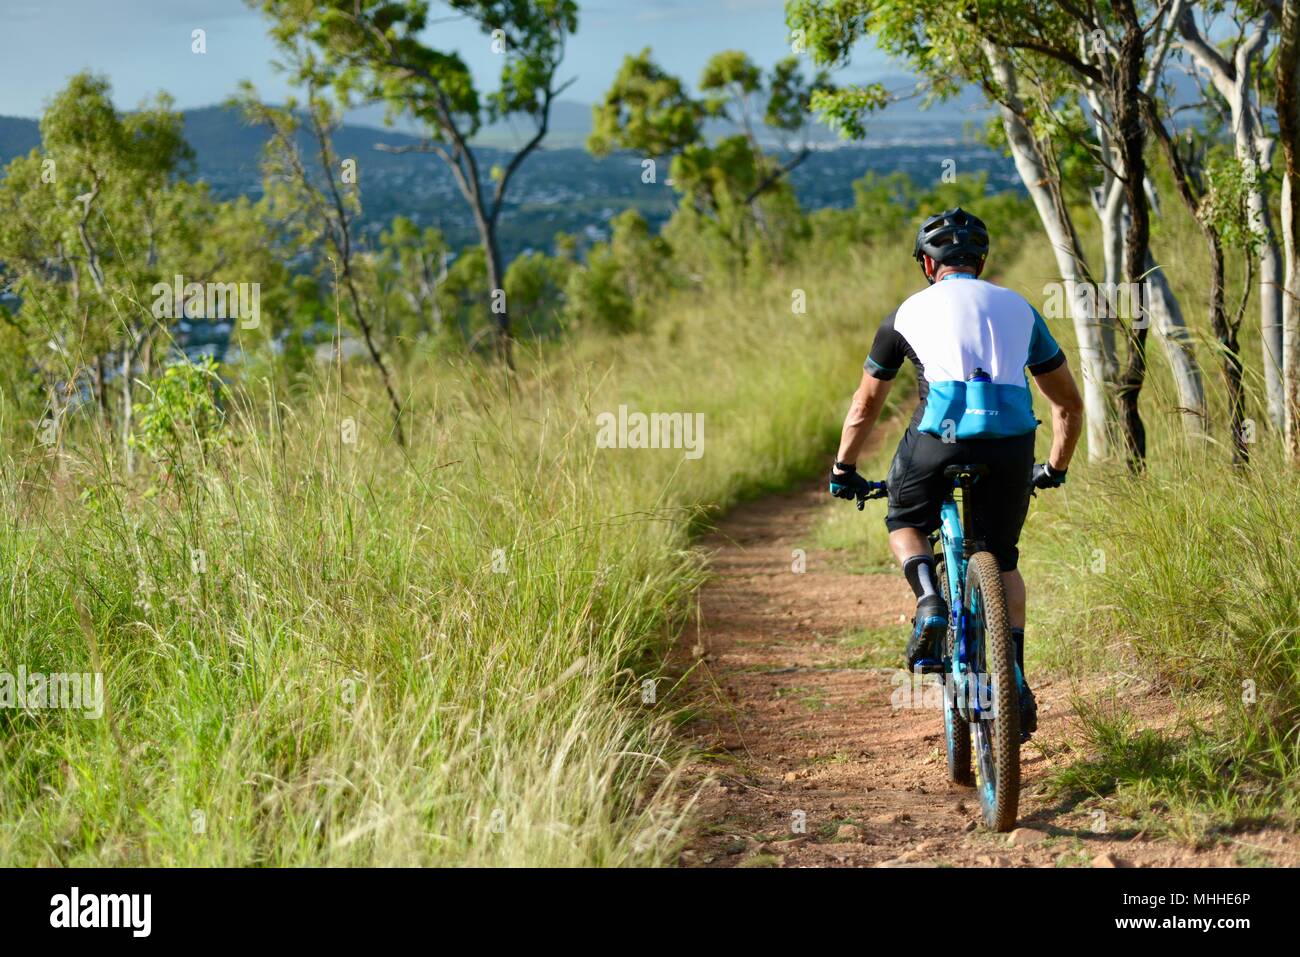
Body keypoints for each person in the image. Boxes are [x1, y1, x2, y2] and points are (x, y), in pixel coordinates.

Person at [828, 207, 1084, 739]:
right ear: (980, 262)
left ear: (928, 263)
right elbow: (1068, 405)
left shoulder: (905, 314)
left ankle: (928, 601)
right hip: (1012, 446)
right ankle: (1013, 677)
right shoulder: (1020, 309)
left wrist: (844, 467)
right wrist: (1054, 468)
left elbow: (864, 406)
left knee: (904, 519)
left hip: (937, 439)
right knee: (1003, 559)